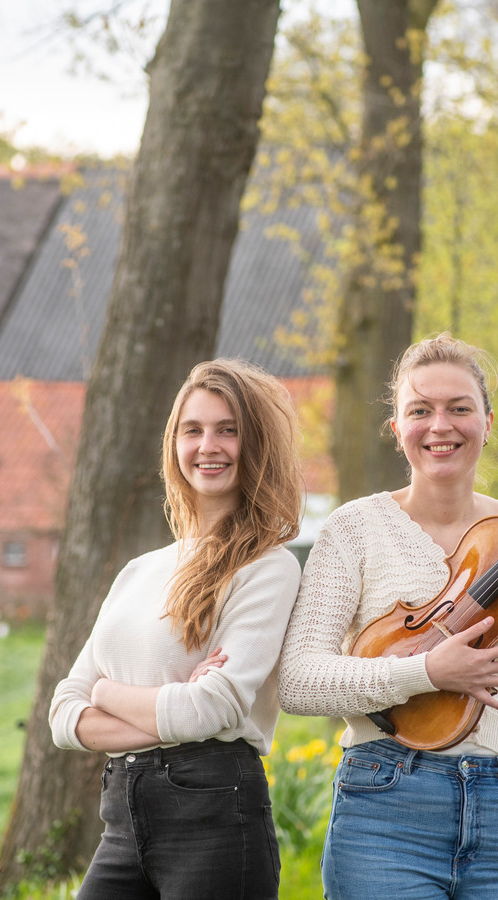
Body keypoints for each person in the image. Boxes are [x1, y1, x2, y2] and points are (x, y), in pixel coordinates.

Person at [279, 333, 498, 899]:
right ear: (397, 429)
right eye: (420, 410)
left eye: (459, 408)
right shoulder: (354, 529)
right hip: (385, 813)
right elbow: (299, 683)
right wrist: (426, 672)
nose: (440, 425)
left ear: (487, 422)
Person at [50, 359, 306, 900]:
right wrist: (176, 713)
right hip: (122, 819)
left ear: (255, 445)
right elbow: (63, 713)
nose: (208, 445)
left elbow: (211, 709)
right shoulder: (139, 570)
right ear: (175, 444)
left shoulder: (267, 568)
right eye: (193, 429)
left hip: (215, 817)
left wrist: (107, 694)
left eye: (228, 430)